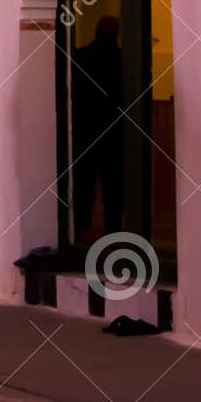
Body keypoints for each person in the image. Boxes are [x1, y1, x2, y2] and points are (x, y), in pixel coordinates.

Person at [71, 15, 125, 239]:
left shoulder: (81, 56)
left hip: (85, 126)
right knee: (113, 180)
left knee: (84, 179)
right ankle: (113, 226)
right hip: (114, 129)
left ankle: (81, 224)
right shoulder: (123, 59)